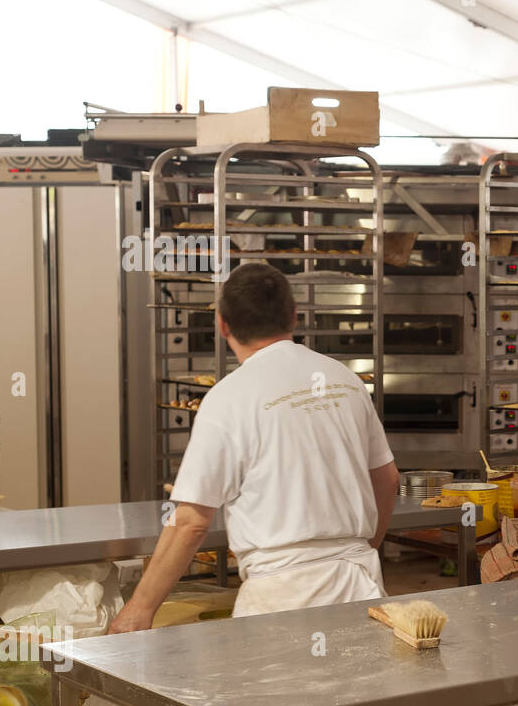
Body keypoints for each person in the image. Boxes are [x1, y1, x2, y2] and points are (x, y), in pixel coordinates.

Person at [111, 262, 400, 632]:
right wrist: (362, 547)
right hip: (360, 583)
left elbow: (190, 523)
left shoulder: (227, 399)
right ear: (294, 317)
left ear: (222, 325)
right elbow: (388, 479)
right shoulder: (343, 379)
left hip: (281, 597)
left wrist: (139, 608)